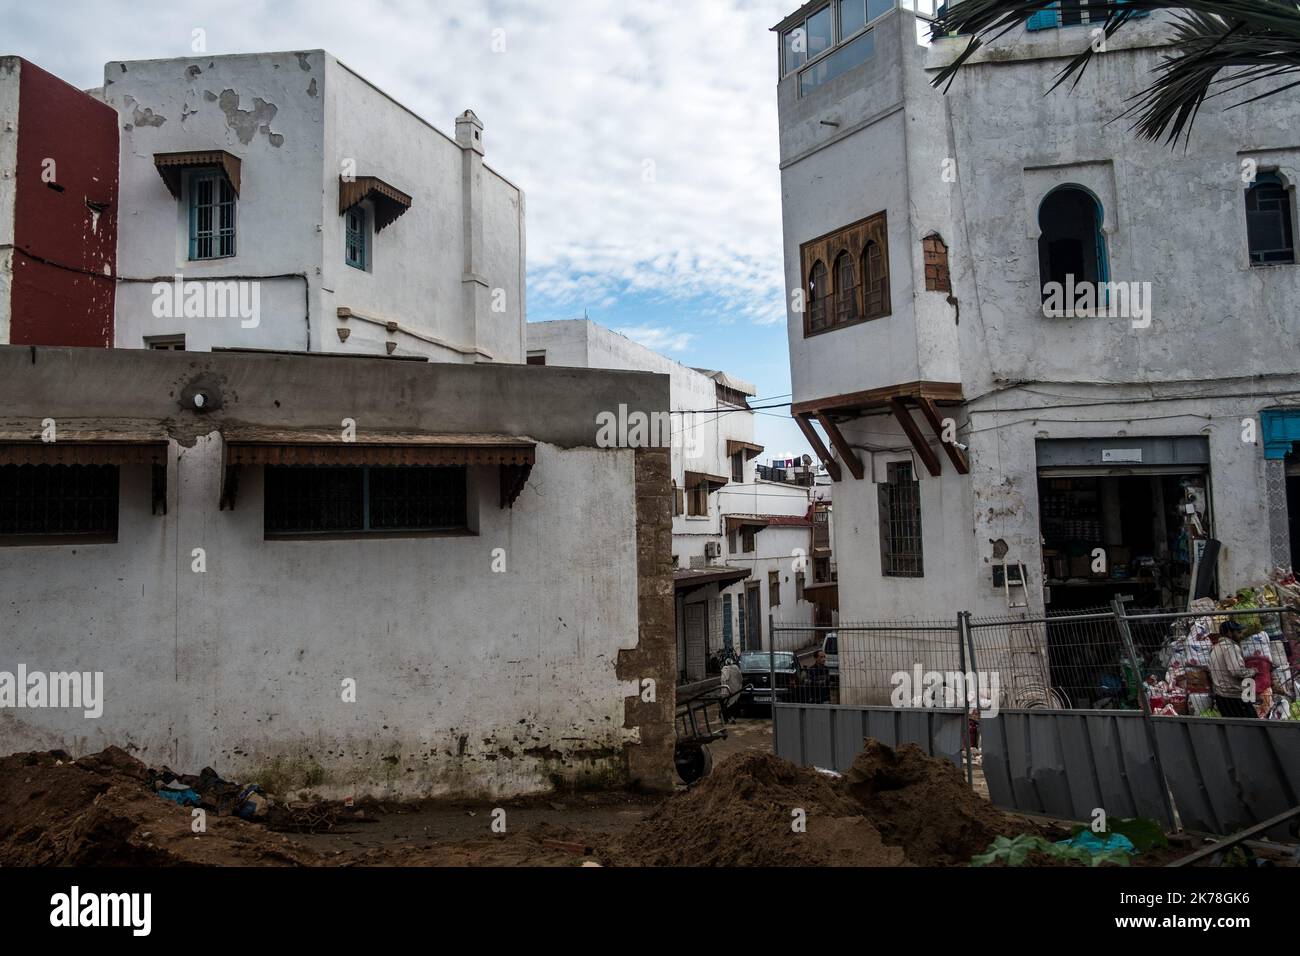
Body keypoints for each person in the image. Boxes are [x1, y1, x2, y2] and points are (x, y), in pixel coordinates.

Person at [1209, 621, 1259, 719]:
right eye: (1238, 632)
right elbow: (1235, 671)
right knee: (1253, 725)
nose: (1241, 635)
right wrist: (1252, 671)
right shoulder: (1231, 647)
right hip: (1234, 696)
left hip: (1221, 696)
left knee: (1233, 727)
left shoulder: (1215, 648)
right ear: (1229, 633)